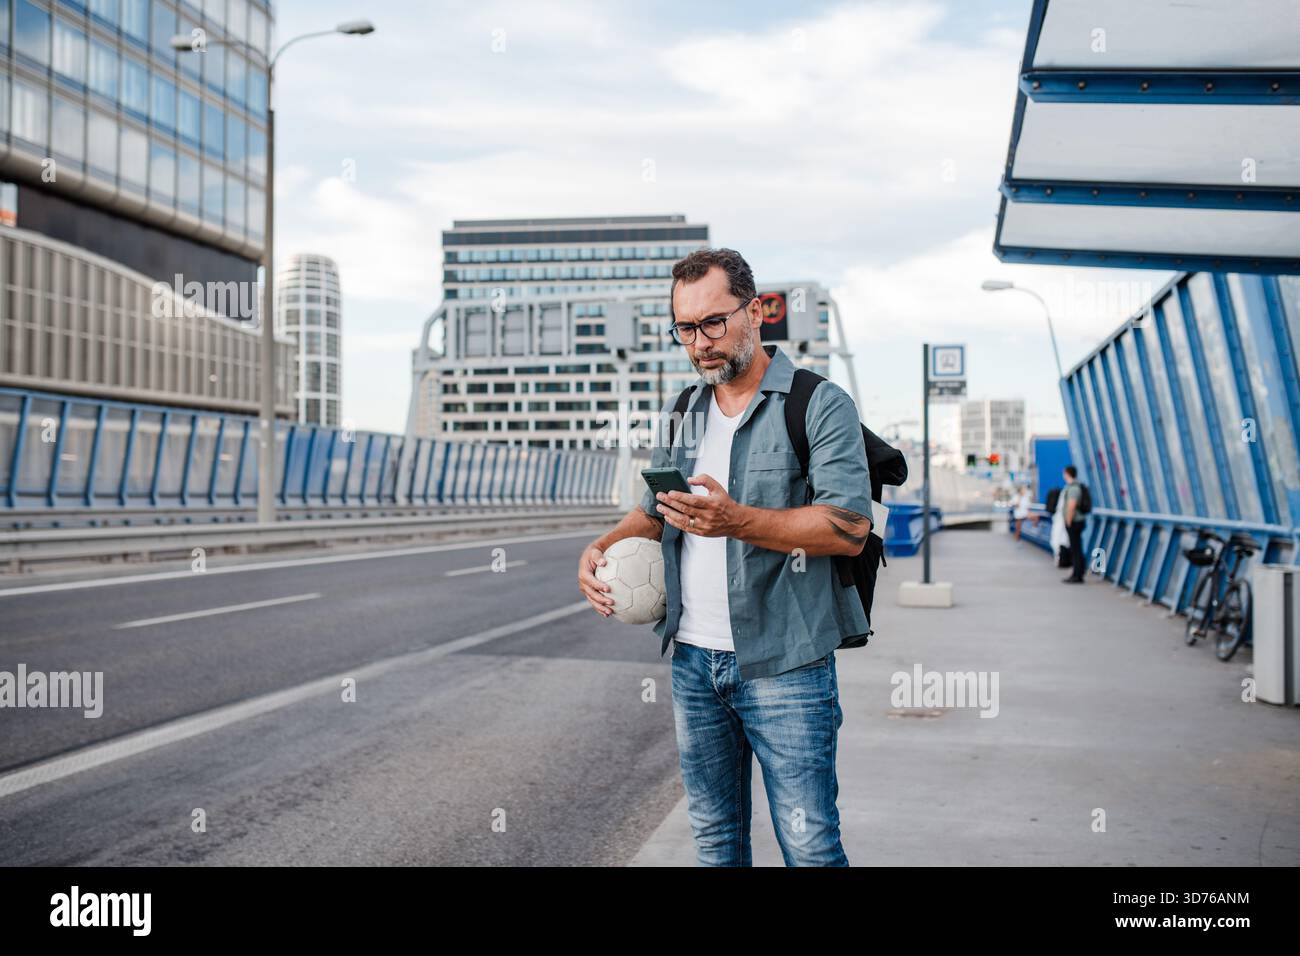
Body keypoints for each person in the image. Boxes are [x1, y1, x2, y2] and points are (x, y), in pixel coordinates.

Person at [576, 247, 873, 867]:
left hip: (787, 661)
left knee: (810, 845)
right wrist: (603, 546)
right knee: (714, 840)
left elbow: (848, 528)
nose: (700, 342)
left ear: (756, 311)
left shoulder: (819, 405)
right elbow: (654, 509)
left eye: (714, 321)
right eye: (685, 327)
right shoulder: (684, 410)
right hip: (693, 661)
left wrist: (736, 520)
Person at [1061, 465, 1087, 583]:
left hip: (1074, 522)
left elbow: (1071, 506)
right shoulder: (1075, 487)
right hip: (1077, 522)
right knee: (1076, 548)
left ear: (1067, 473)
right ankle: (1078, 573)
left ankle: (1077, 575)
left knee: (1075, 549)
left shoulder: (1073, 488)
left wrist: (1068, 521)